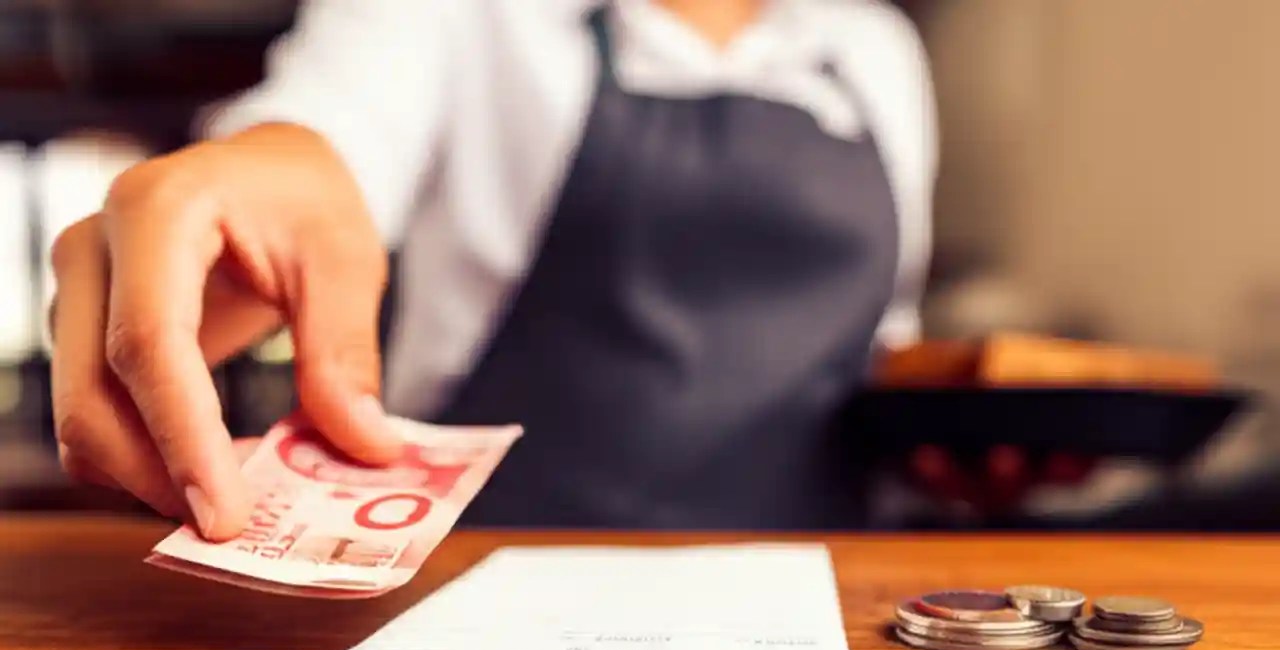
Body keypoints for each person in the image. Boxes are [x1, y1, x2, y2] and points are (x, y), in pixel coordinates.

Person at [48, 0, 937, 538]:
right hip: (486, 595)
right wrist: (267, 169)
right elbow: (328, 125)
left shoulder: (874, 49)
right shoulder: (448, 14)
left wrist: (955, 441)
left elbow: (878, 340)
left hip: (818, 590)